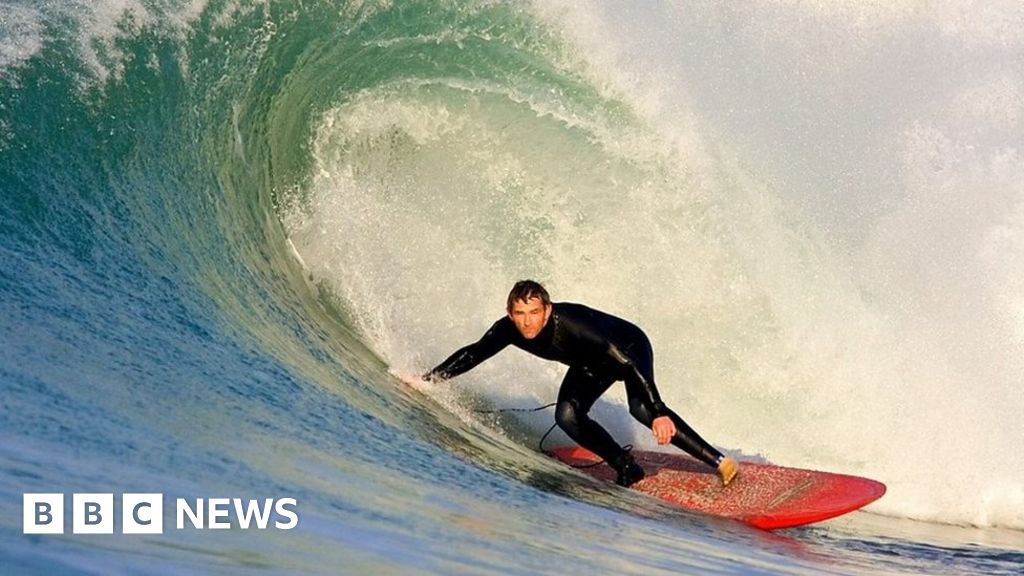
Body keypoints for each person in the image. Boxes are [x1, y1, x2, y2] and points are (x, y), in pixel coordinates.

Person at [422, 280, 738, 487]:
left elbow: (625, 363)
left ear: (547, 309)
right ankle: (627, 466)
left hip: (627, 348)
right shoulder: (508, 330)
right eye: (520, 313)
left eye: (535, 312)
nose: (528, 321)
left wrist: (658, 410)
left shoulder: (573, 324)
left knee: (641, 410)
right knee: (567, 416)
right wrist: (430, 380)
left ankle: (720, 461)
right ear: (510, 313)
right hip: (590, 363)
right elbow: (475, 352)